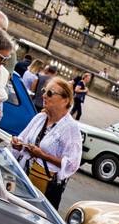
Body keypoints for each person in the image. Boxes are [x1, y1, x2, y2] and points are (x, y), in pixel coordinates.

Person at [12, 76, 81, 209]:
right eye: (44, 91)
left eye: (50, 93)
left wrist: (43, 155)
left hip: (44, 187)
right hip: (23, 178)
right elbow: (21, 138)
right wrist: (18, 144)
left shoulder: (70, 128)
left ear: (65, 100)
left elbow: (72, 164)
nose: (44, 95)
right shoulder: (40, 117)